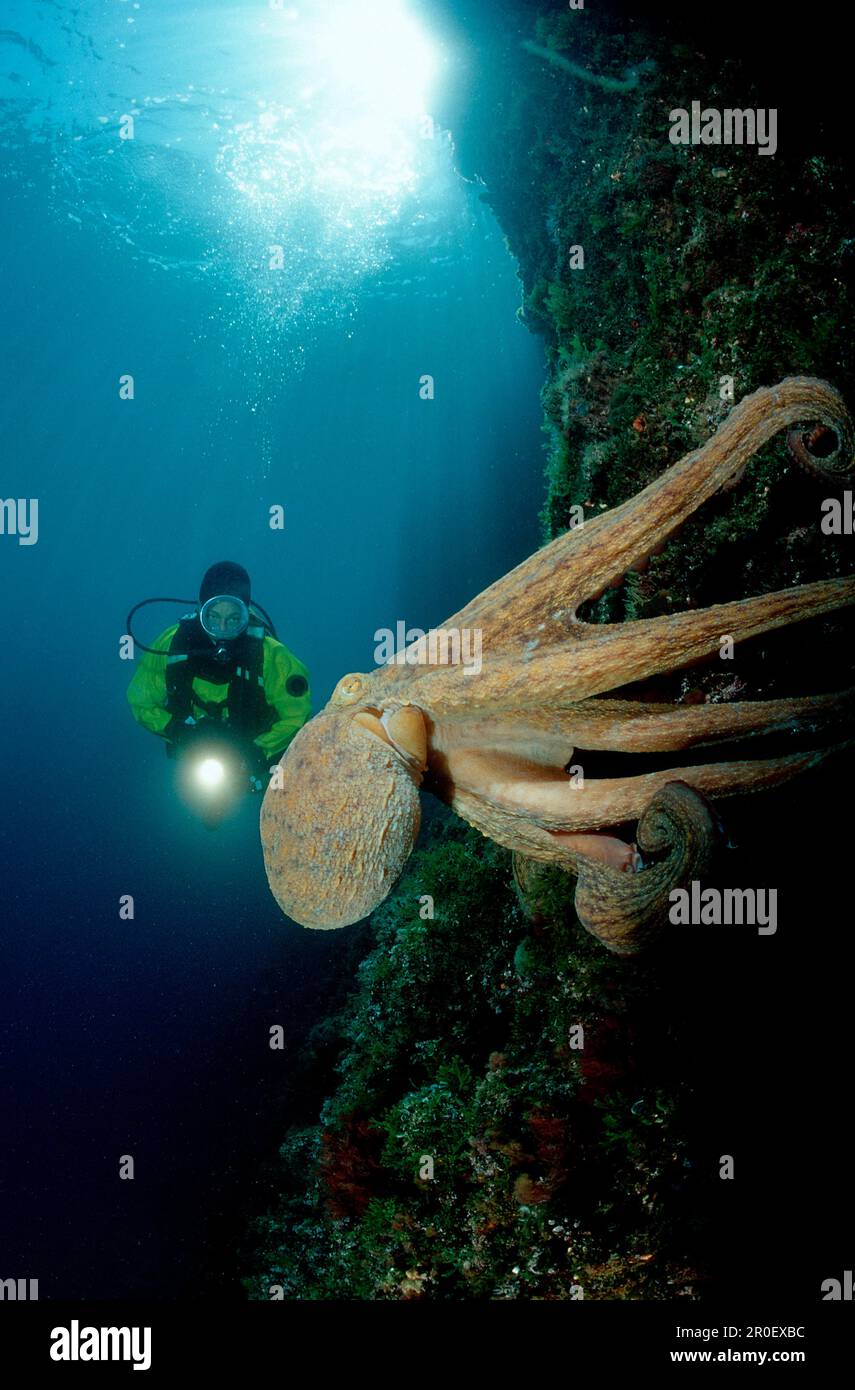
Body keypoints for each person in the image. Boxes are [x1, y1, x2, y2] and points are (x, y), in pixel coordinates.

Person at [127, 561, 310, 787]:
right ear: (200, 609)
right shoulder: (170, 646)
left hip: (249, 753)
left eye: (234, 619)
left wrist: (259, 750)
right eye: (213, 617)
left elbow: (297, 714)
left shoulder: (272, 657)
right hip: (192, 749)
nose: (222, 629)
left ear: (246, 614)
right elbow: (140, 700)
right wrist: (176, 729)